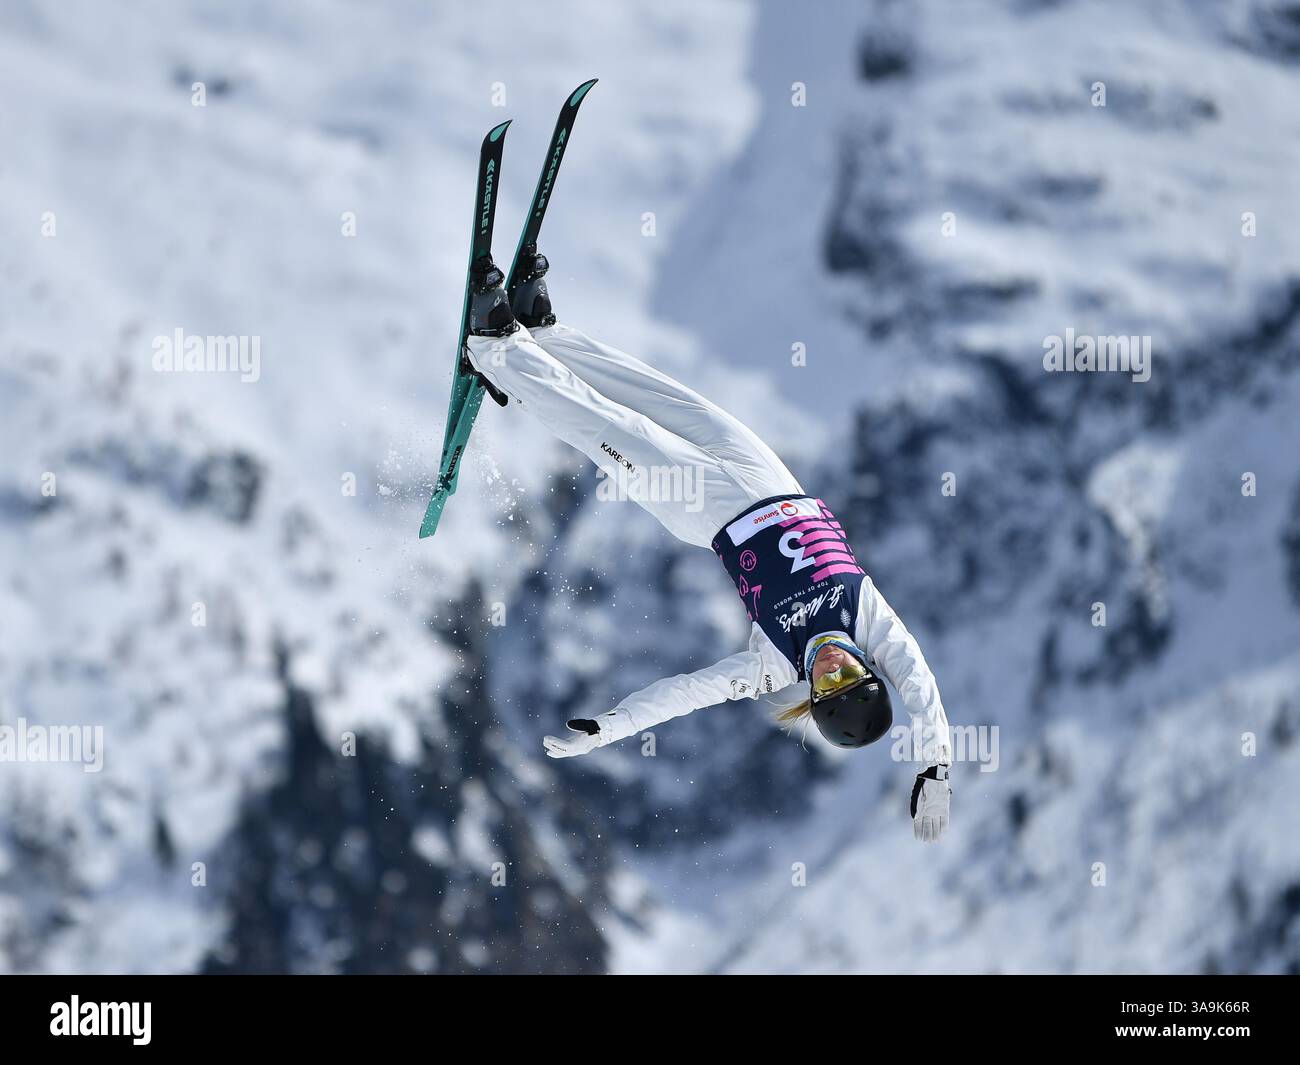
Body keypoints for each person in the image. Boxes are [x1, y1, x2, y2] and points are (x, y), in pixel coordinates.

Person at [459, 248, 951, 842]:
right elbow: (920, 682)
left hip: (703, 509)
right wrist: (935, 766)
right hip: (774, 483)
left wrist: (613, 727)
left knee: (616, 430)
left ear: (814, 695)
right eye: (852, 675)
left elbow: (688, 694)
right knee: (662, 399)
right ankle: (546, 334)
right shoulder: (870, 622)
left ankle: (496, 350)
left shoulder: (774, 663)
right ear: (870, 669)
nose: (833, 668)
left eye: (828, 686)